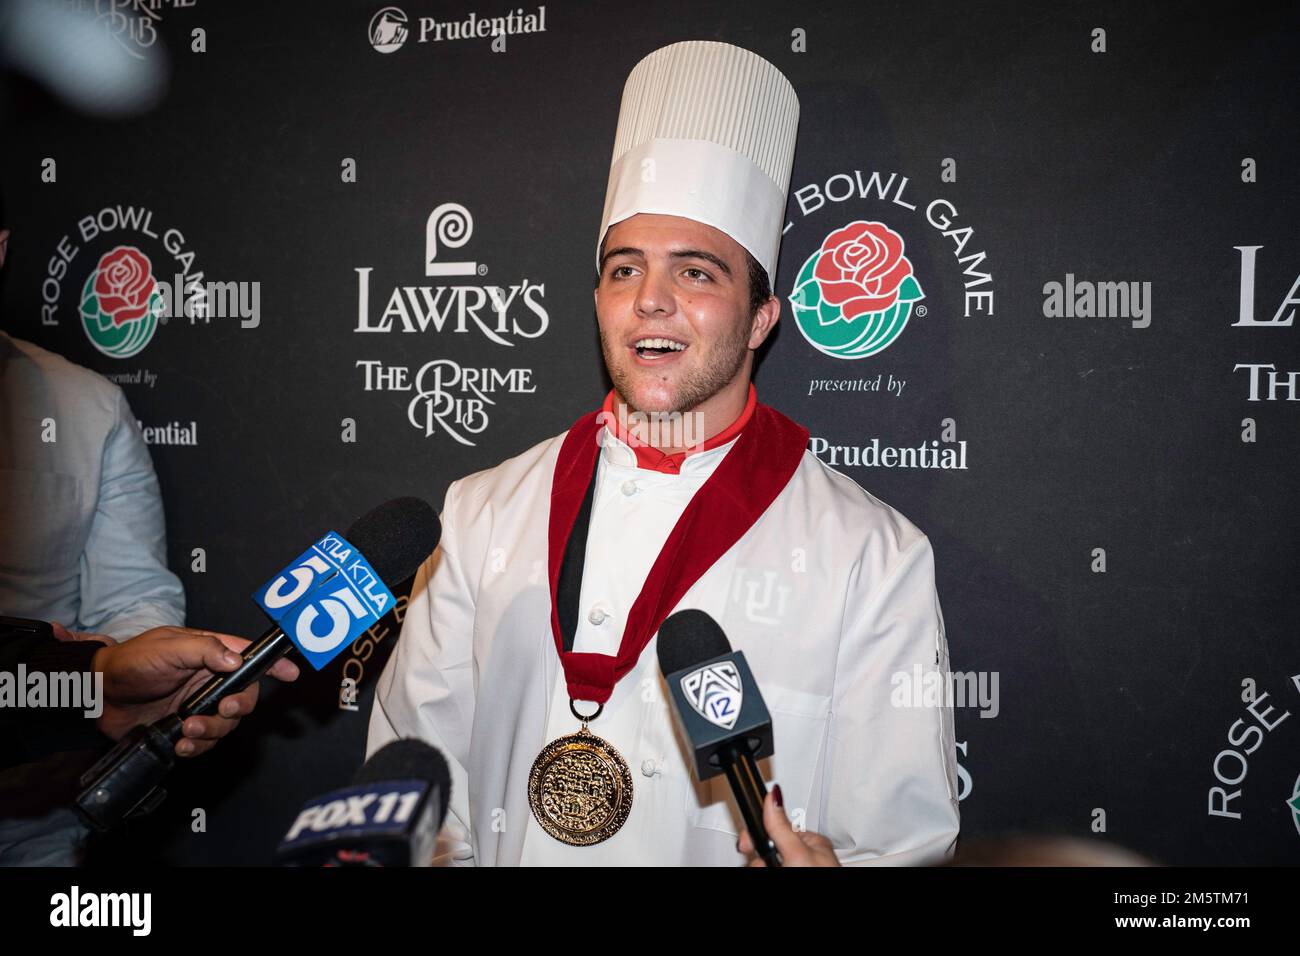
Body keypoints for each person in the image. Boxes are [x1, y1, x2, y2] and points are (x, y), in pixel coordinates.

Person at [367, 40, 960, 866]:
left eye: (696, 273)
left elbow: (901, 843)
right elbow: (416, 788)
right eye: (624, 269)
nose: (651, 299)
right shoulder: (479, 511)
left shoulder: (871, 554)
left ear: (761, 320)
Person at [0, 186, 188, 862]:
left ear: (0, 248)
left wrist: (138, 677)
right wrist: (89, 677)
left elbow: (132, 596)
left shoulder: (87, 404)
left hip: (31, 816)